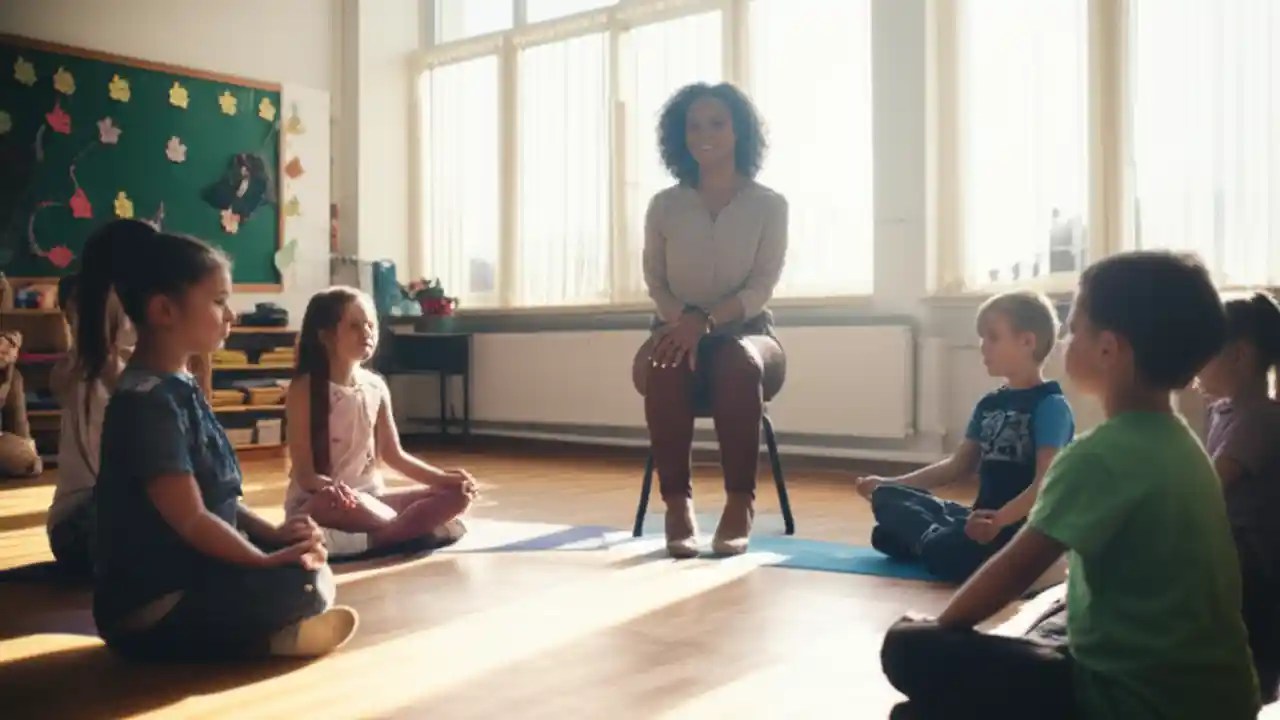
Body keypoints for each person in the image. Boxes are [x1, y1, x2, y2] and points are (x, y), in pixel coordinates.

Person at [880, 252, 1260, 719]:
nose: (1065, 341)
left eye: (1074, 328)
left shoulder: (1096, 455)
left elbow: (1012, 571)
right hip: (1224, 699)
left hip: (1131, 702)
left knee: (906, 648)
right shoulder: (1185, 446)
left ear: (1108, 348)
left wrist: (940, 629)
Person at [84, 219, 357, 660]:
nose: (230, 315)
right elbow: (192, 519)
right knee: (301, 582)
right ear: (164, 311)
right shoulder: (146, 403)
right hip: (153, 606)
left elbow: (217, 499)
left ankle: (278, 628)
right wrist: (265, 561)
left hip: (197, 569)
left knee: (309, 558)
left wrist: (275, 536)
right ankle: (272, 636)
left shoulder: (181, 386)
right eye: (218, 301)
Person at [632, 81, 788, 558]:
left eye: (717, 123)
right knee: (664, 363)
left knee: (737, 363)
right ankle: (677, 506)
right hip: (674, 330)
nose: (705, 134)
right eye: (694, 125)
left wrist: (705, 323)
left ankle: (740, 504)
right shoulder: (664, 205)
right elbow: (656, 283)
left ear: (738, 131)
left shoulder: (770, 205)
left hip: (750, 336)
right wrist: (684, 324)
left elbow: (761, 287)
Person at [856, 291, 1073, 583]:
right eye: (982, 338)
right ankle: (930, 541)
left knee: (910, 541)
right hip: (978, 522)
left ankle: (930, 543)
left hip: (1016, 530)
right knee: (888, 507)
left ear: (1027, 342)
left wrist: (1001, 520)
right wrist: (887, 484)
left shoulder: (1050, 406)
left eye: (993, 338)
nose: (983, 347)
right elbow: (957, 466)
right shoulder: (990, 404)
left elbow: (1046, 483)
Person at [283, 287, 475, 559]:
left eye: (370, 325)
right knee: (334, 503)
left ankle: (382, 536)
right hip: (325, 502)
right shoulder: (305, 389)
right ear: (325, 335)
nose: (366, 333)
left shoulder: (376, 386)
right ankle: (398, 534)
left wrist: (444, 479)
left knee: (458, 496)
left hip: (372, 500)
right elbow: (304, 474)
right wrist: (331, 488)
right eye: (354, 326)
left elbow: (394, 455)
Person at [1196, 290, 1280, 703]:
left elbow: (1211, 485)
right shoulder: (1223, 411)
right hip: (1227, 544)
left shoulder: (1262, 418)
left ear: (1240, 355)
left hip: (1253, 563)